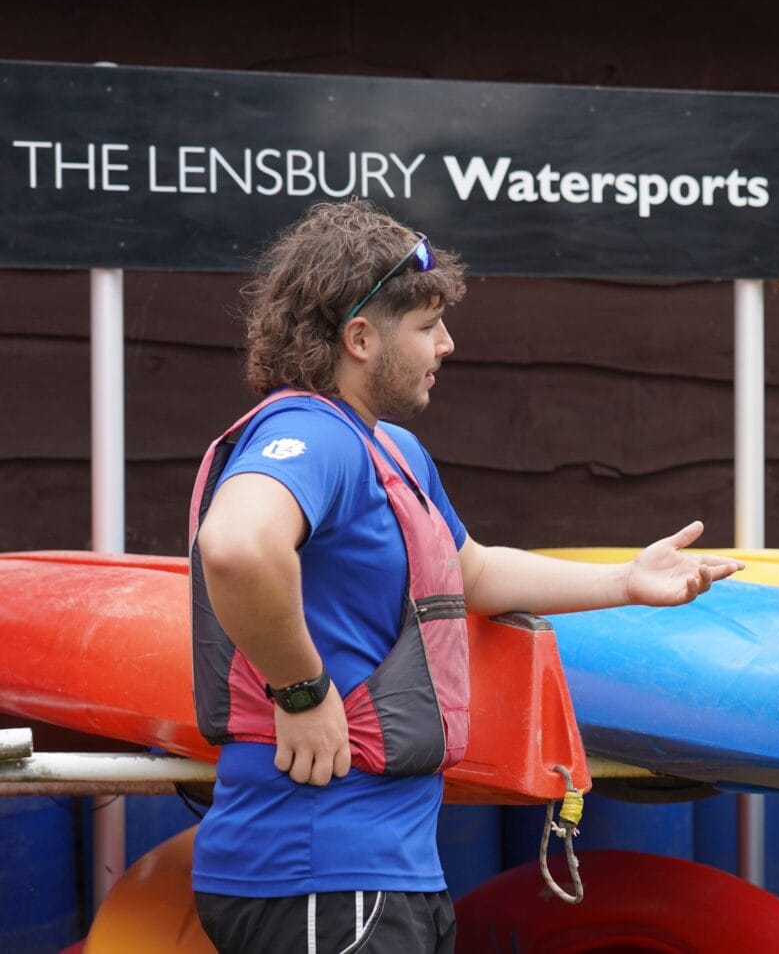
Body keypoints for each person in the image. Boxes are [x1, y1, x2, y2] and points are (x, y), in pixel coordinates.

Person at [188, 199, 742, 954]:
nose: (446, 345)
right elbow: (237, 546)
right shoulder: (310, 432)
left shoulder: (393, 451)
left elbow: (468, 572)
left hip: (384, 872)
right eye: (425, 327)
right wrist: (299, 689)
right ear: (359, 338)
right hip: (317, 873)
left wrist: (624, 582)